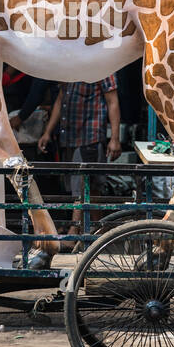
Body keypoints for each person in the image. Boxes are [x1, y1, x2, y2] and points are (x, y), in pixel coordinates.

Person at [38, 74, 121, 243]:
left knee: (82, 185)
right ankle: (97, 231)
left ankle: (74, 231)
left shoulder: (103, 67)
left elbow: (113, 101)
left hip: (89, 136)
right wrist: (47, 131)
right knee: (91, 187)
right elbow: (61, 99)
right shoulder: (72, 64)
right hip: (70, 137)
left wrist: (115, 138)